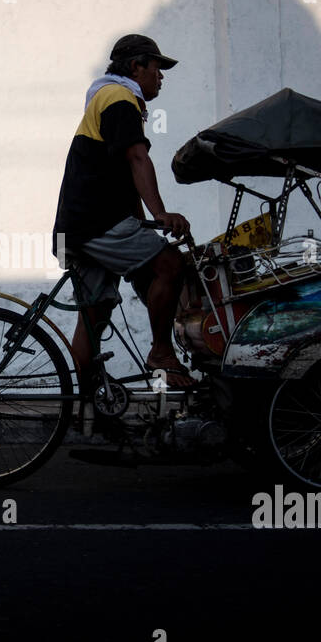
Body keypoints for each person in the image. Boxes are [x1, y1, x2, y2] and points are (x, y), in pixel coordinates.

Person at [52, 33, 194, 393]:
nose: (161, 76)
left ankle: (88, 410)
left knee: (93, 317)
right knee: (171, 265)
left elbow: (122, 177)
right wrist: (161, 213)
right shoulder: (119, 98)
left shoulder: (105, 99)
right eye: (157, 68)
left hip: (76, 227)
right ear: (136, 66)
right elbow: (136, 158)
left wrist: (143, 221)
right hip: (96, 223)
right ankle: (162, 353)